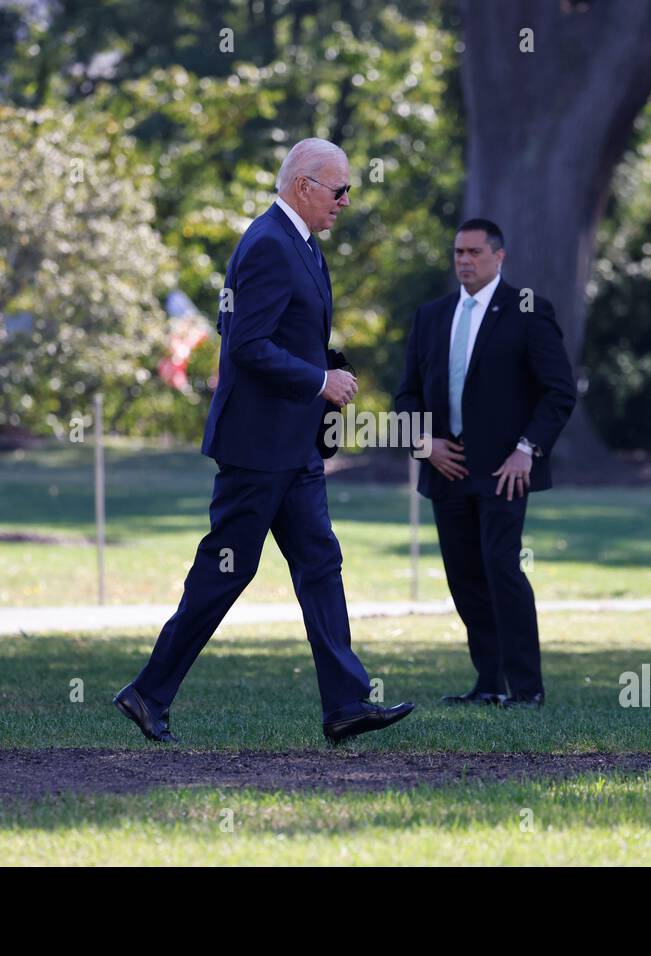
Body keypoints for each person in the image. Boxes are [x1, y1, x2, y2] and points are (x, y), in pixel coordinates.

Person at [115, 138, 415, 744]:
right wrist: (319, 380)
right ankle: (147, 692)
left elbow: (287, 334)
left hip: (294, 447)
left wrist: (322, 367)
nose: (346, 202)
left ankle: (346, 705)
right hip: (257, 448)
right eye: (339, 190)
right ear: (303, 186)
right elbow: (246, 346)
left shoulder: (300, 244)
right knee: (226, 570)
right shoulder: (268, 244)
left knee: (319, 563)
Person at [395, 219, 576, 708]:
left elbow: (559, 391)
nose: (464, 261)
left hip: (504, 470)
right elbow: (406, 394)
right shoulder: (431, 315)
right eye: (458, 252)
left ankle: (527, 689)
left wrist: (527, 449)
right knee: (464, 576)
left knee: (501, 568)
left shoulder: (528, 309)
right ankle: (489, 682)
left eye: (474, 252)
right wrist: (423, 443)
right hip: (445, 468)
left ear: (500, 257)